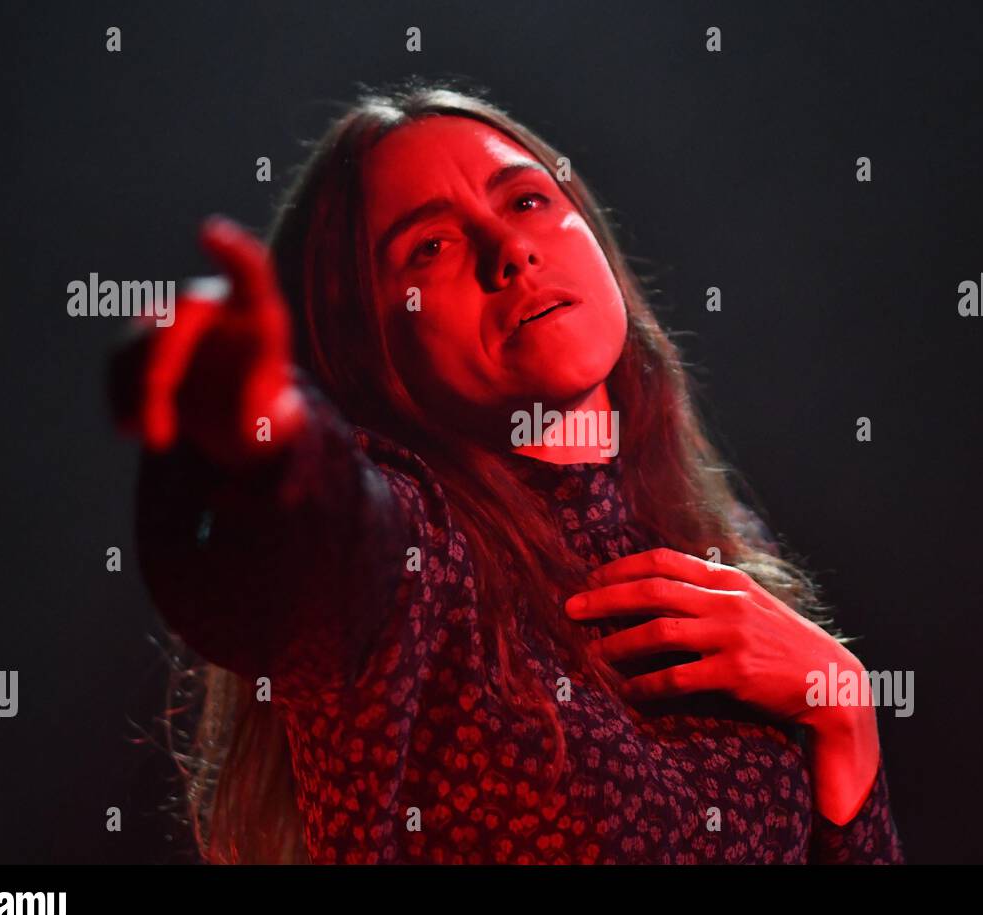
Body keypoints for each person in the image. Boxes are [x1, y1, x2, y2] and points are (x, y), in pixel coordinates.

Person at [110, 81, 906, 864]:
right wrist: (268, 432)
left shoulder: (716, 539)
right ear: (364, 346)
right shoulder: (418, 559)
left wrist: (846, 717)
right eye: (431, 246)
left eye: (525, 200)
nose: (510, 250)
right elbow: (320, 537)